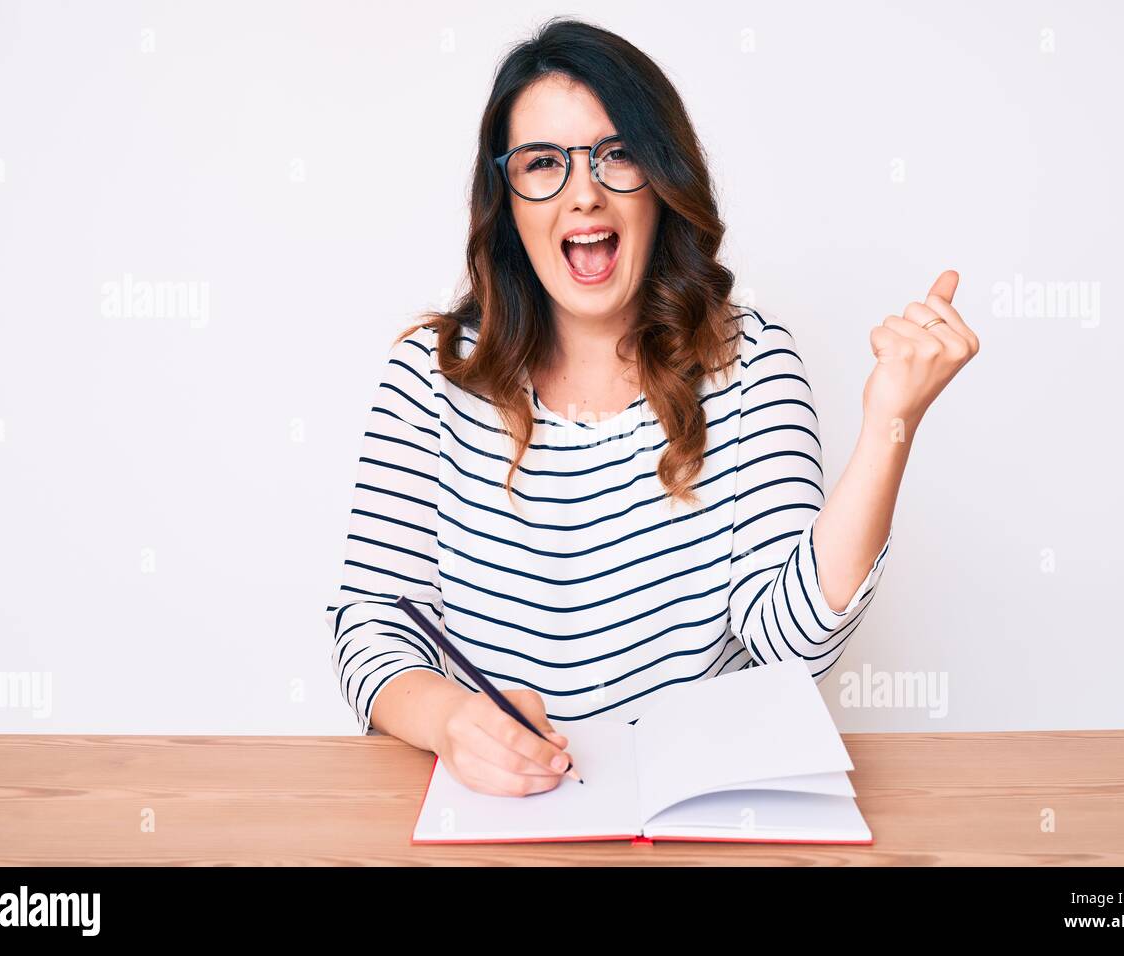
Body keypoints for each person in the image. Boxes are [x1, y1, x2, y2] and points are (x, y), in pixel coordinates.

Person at [323, 17, 978, 797]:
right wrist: (450, 722)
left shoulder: (754, 364)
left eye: (617, 154)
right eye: (542, 164)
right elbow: (373, 622)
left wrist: (889, 426)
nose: (584, 193)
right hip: (497, 819)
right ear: (507, 199)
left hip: (700, 825)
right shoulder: (430, 379)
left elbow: (793, 649)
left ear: (663, 181)